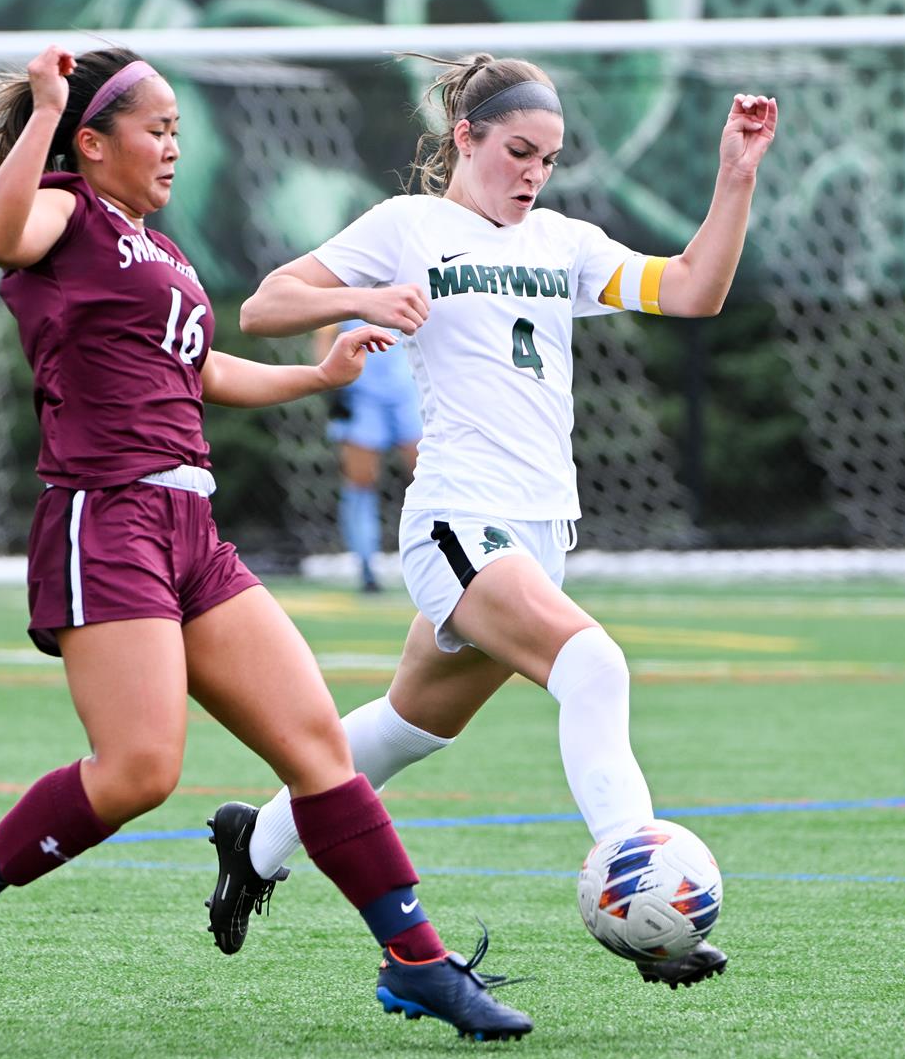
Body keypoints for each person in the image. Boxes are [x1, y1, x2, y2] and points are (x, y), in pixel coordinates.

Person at [0, 45, 531, 1041]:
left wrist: (316, 377)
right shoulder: (62, 209)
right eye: (155, 129)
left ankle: (418, 961)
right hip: (102, 518)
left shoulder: (158, 248)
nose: (171, 148)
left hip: (190, 527)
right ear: (91, 142)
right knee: (140, 768)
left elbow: (202, 371)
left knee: (318, 748)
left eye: (178, 131)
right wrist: (45, 112)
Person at [202, 52, 778, 987]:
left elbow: (691, 290)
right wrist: (361, 296)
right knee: (594, 665)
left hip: (542, 529)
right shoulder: (408, 225)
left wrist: (736, 176)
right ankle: (641, 890)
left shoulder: (565, 241)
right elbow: (267, 304)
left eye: (548, 159)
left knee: (405, 727)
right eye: (518, 151)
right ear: (465, 137)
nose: (533, 174)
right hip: (459, 520)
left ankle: (254, 845)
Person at [314, 319, 421, 591]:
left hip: (408, 388)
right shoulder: (348, 282)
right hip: (361, 394)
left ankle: (443, 556)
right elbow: (324, 334)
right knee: (361, 482)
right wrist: (332, 387)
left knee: (426, 474)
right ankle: (366, 568)